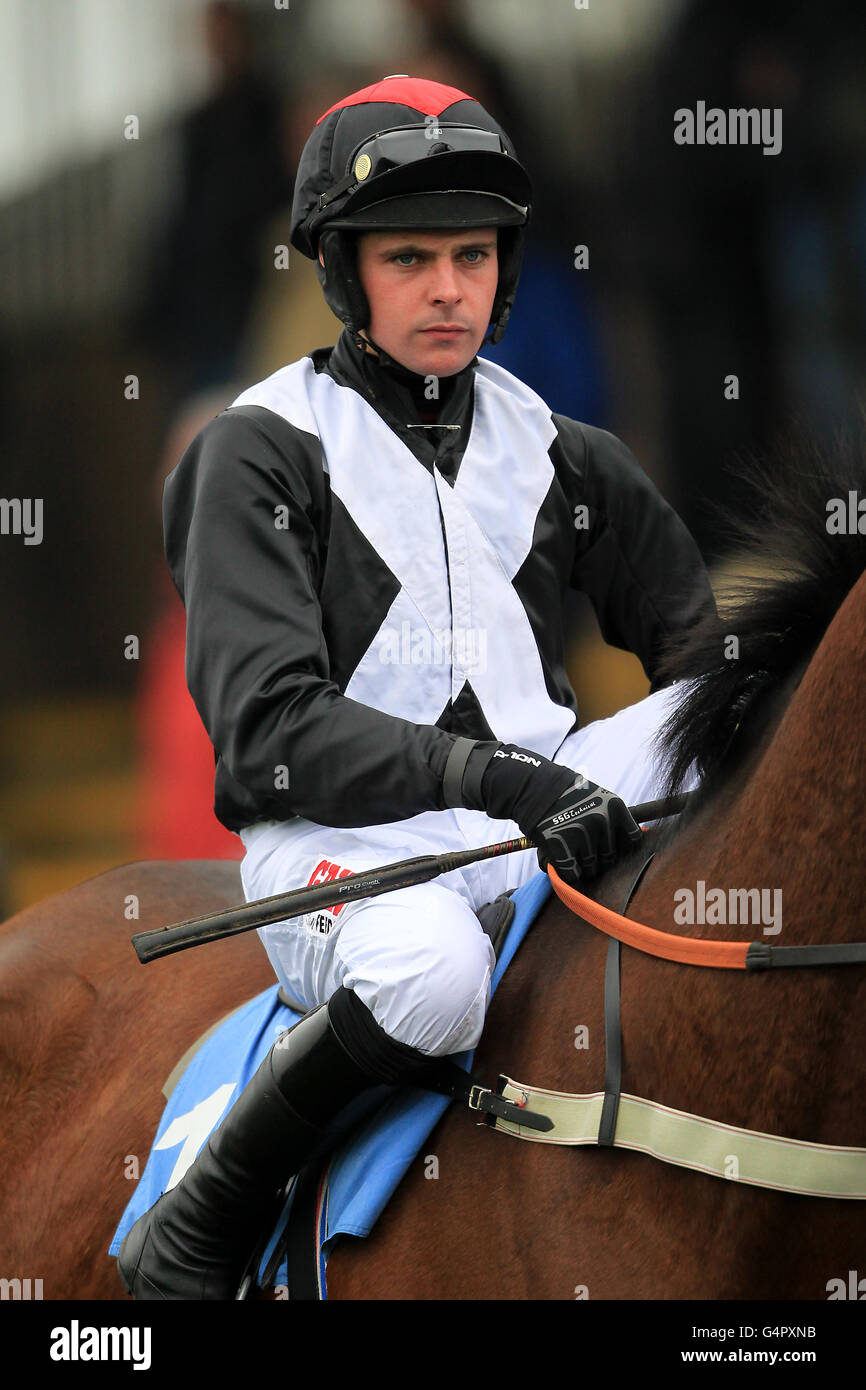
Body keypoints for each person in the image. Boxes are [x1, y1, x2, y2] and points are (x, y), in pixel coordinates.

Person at [118, 75, 715, 1300]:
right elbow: (268, 732)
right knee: (431, 979)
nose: (449, 288)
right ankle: (204, 1218)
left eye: (471, 255)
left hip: (530, 807)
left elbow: (693, 656)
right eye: (408, 258)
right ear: (340, 273)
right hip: (345, 853)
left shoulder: (560, 447)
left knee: (742, 716)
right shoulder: (258, 450)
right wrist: (499, 778)